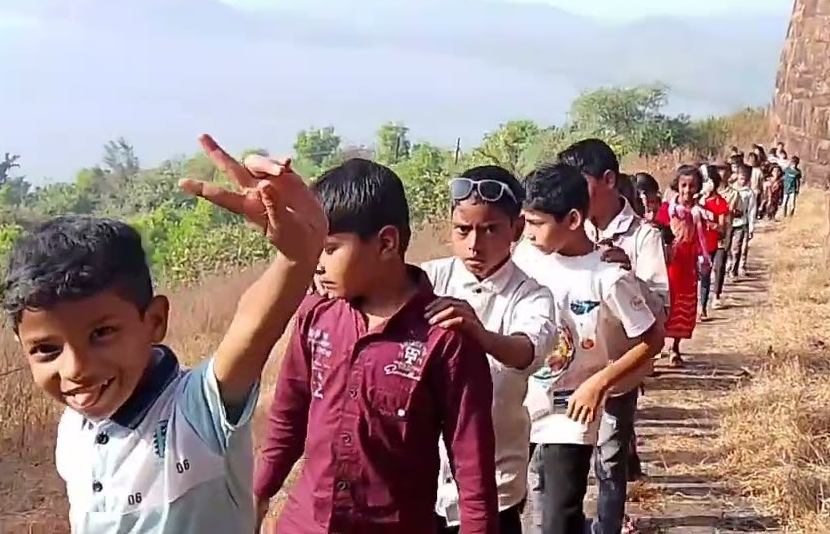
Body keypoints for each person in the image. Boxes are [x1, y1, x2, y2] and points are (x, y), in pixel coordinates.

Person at [0, 135, 327, 534]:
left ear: (154, 321)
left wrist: (297, 257)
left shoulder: (196, 412)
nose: (76, 369)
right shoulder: (73, 430)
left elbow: (252, 325)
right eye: (46, 350)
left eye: (101, 333)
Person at [254, 158, 499, 534]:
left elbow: (472, 467)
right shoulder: (316, 314)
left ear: (386, 243)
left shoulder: (446, 339)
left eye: (330, 249)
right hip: (305, 524)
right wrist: (256, 496)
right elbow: (288, 418)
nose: (317, 265)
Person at [512, 163, 664, 534]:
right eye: (526, 222)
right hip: (520, 404)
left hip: (571, 413)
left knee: (559, 518)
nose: (528, 232)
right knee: (512, 505)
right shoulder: (525, 259)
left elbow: (652, 339)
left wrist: (598, 384)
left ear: (573, 219)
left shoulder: (608, 276)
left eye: (537, 223)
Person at [420, 166, 559, 534]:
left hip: (494, 488)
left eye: (490, 230)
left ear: (516, 229)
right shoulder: (426, 280)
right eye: (463, 230)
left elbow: (526, 350)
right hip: (420, 485)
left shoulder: (532, 296)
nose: (474, 244)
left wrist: (482, 336)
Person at [557, 139, 670, 534]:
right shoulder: (571, 227)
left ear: (608, 180)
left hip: (617, 370)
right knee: (564, 457)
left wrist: (629, 276)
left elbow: (661, 310)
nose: (573, 194)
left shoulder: (643, 238)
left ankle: (608, 525)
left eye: (581, 184)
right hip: (570, 367)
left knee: (608, 457)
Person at [654, 166, 705, 364]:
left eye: (692, 186)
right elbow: (656, 232)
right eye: (684, 185)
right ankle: (655, 348)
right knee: (664, 305)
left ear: (698, 187)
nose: (687, 190)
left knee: (682, 307)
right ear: (677, 186)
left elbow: (702, 238)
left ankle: (675, 348)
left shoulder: (698, 212)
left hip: (687, 267)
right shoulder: (667, 210)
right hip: (667, 266)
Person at [694, 167, 731, 321]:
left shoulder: (719, 202)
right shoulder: (695, 201)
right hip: (694, 244)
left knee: (705, 276)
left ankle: (702, 307)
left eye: (706, 180)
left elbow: (722, 227)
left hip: (711, 245)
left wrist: (709, 223)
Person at [710, 163, 743, 307]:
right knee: (704, 267)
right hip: (706, 234)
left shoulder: (734, 194)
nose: (721, 173)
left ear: (730, 174)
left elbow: (740, 211)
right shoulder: (707, 192)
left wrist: (731, 212)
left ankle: (716, 295)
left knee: (719, 264)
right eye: (719, 170)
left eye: (724, 170)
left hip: (723, 234)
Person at [728, 165, 757, 279]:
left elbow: (752, 210)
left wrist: (751, 227)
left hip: (741, 223)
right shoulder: (730, 190)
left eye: (745, 179)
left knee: (738, 248)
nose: (742, 181)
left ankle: (735, 269)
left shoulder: (749, 193)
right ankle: (728, 265)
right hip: (729, 223)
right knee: (727, 247)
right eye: (741, 178)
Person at [745, 152, 765, 220]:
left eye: (753, 159)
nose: (751, 161)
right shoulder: (746, 170)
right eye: (750, 159)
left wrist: (761, 190)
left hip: (755, 191)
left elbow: (762, 182)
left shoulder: (759, 171)